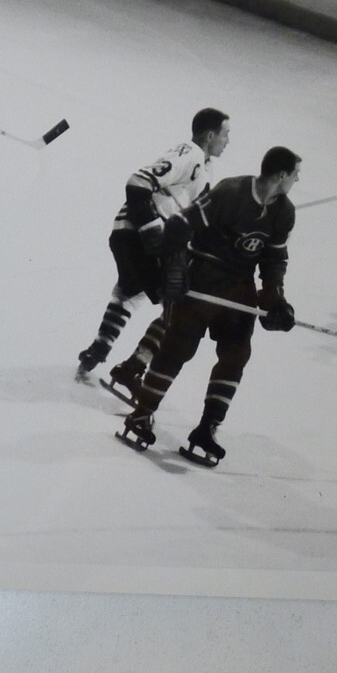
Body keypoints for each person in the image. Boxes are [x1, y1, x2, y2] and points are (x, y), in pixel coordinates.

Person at [118, 147, 301, 466]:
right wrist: (175, 269)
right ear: (282, 175)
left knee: (236, 354)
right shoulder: (231, 191)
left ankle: (207, 429)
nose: (298, 179)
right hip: (202, 273)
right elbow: (178, 225)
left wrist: (274, 300)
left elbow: (273, 261)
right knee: (177, 348)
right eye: (296, 173)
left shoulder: (285, 212)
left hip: (239, 284)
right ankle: (141, 415)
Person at [76, 108, 231, 381]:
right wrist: (151, 232)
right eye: (225, 134)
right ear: (210, 135)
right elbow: (137, 182)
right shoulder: (191, 154)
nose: (227, 140)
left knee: (130, 291)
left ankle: (98, 349)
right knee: (183, 307)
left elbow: (200, 219)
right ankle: (134, 367)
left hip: (126, 235)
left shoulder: (204, 167)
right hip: (139, 233)